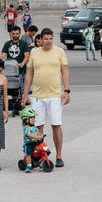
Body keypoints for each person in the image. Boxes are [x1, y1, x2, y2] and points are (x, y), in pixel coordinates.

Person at [22, 27, 70, 167]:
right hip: (37, 96)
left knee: (56, 126)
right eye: (46, 39)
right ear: (40, 40)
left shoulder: (59, 52)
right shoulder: (34, 53)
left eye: (50, 39)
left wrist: (66, 91)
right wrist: (25, 95)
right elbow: (29, 74)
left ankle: (59, 156)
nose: (48, 41)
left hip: (54, 95)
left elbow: (65, 72)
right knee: (37, 128)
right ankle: (39, 156)